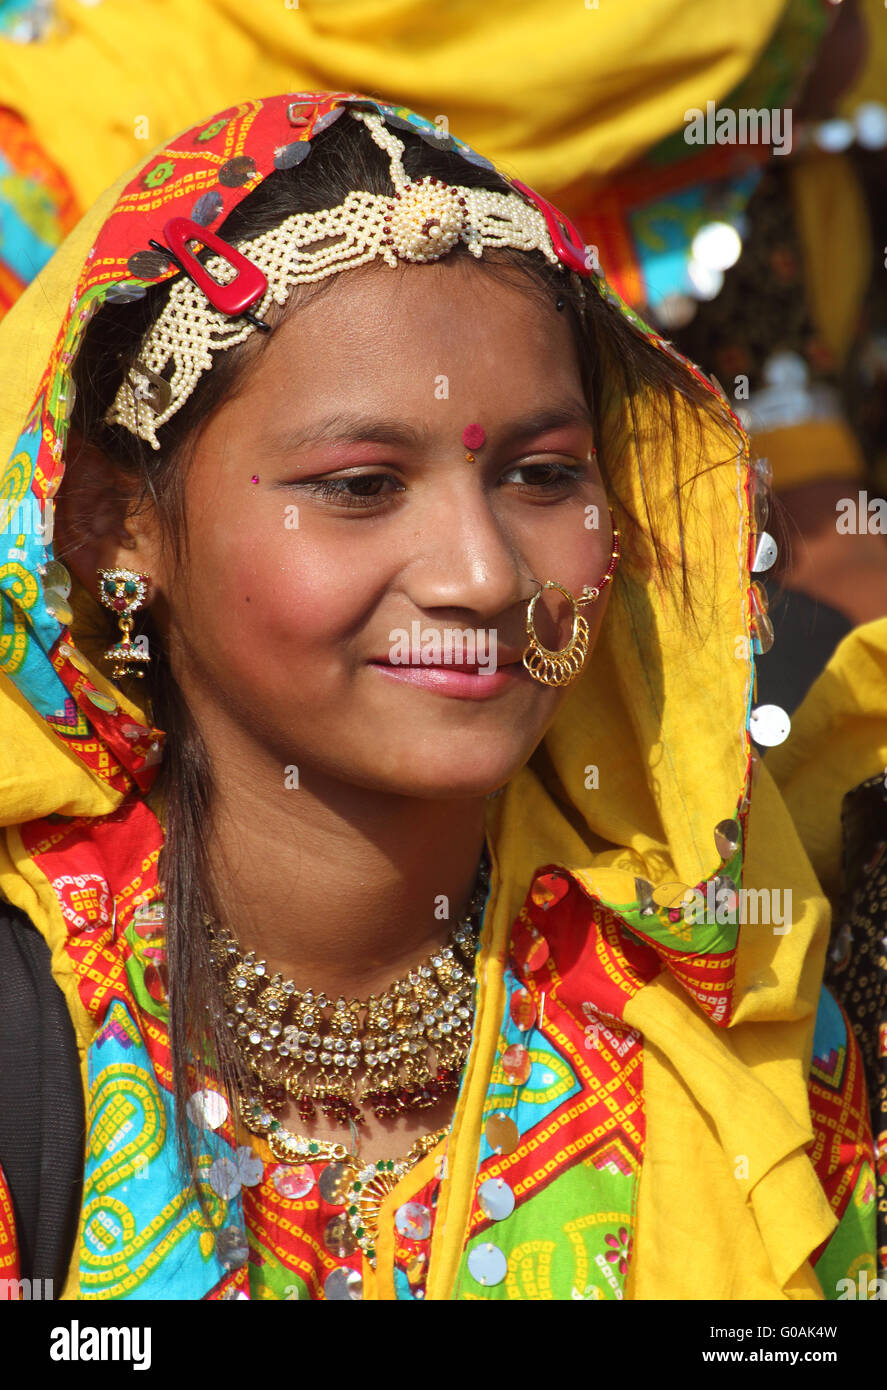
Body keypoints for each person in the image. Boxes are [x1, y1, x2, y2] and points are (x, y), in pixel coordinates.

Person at [0, 90, 875, 1301]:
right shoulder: (34, 1044)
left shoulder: (735, 1022)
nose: (480, 573)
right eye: (360, 485)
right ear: (117, 523)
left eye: (540, 474)